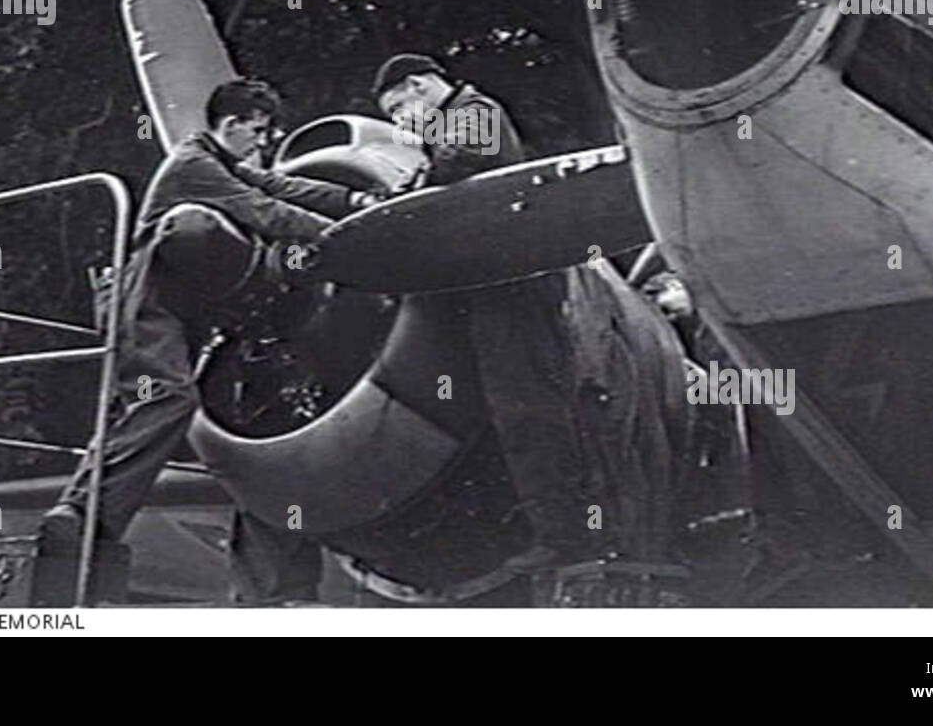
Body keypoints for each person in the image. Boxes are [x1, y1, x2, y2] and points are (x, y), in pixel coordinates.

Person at [40, 78, 378, 599]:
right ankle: (83, 520)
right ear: (232, 125)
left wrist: (357, 199)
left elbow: (282, 189)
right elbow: (265, 212)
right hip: (142, 299)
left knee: (213, 414)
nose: (263, 143)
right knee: (168, 400)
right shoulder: (194, 165)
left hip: (182, 317)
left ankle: (267, 588)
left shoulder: (219, 162)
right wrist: (349, 244)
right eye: (259, 132)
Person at [371, 53, 593, 571]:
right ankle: (562, 526)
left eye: (402, 107)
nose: (402, 122)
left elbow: (461, 162)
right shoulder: (458, 120)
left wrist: (410, 186)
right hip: (497, 283)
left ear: (421, 85)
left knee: (527, 405)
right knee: (516, 403)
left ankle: (569, 535)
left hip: (512, 284)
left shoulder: (474, 111)